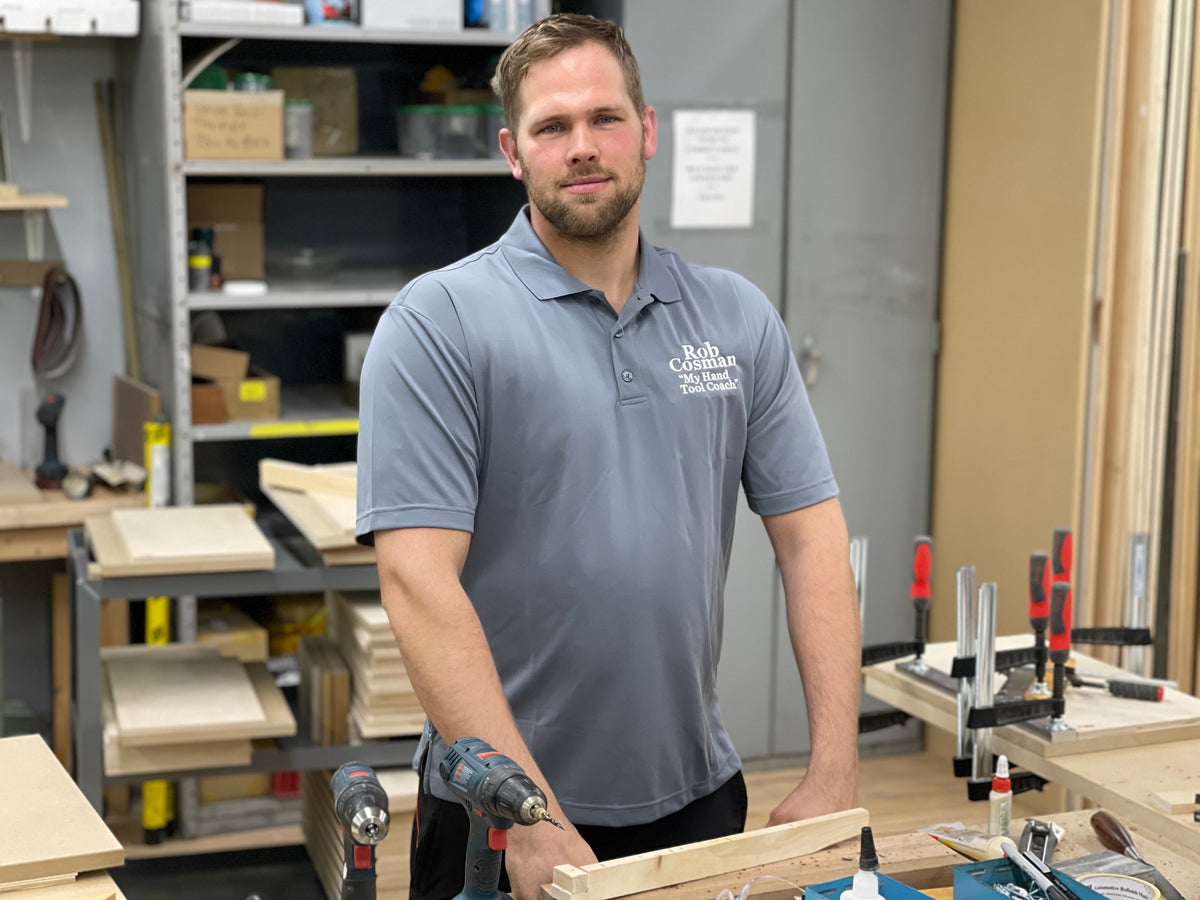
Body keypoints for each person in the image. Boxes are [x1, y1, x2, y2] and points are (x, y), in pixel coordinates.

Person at [355, 13, 861, 900]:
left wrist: (835, 770)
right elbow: (417, 584)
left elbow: (813, 538)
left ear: (648, 131)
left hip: (696, 799)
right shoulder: (439, 323)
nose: (582, 147)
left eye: (605, 118)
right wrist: (528, 818)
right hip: (494, 817)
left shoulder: (736, 318)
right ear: (515, 152)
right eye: (553, 127)